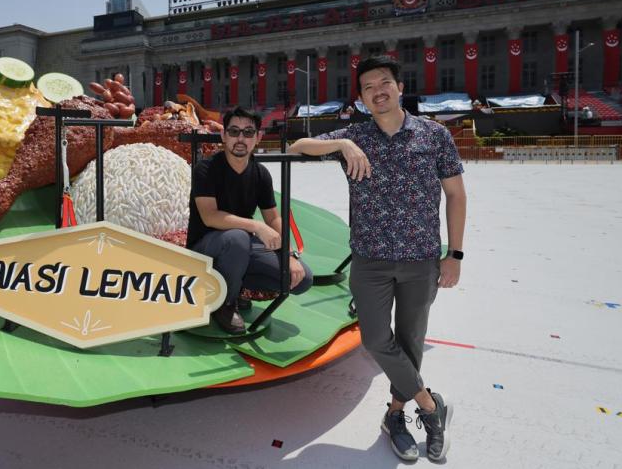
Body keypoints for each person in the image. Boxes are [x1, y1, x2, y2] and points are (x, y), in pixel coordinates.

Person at [288, 55, 467, 462]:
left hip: (421, 259)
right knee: (375, 339)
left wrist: (454, 253)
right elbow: (296, 145)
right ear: (361, 98)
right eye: (368, 87)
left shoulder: (434, 135)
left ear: (400, 87)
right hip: (369, 261)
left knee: (409, 342)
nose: (378, 91)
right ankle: (431, 406)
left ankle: (395, 415)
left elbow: (455, 195)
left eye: (384, 82)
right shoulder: (356, 136)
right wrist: (342, 142)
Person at [187, 106, 313, 335]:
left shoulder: (261, 174)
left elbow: (273, 217)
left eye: (248, 132)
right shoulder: (206, 168)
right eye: (234, 132)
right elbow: (210, 216)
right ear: (224, 136)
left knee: (300, 278)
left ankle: (235, 284)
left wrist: (289, 255)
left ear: (258, 137)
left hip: (240, 247)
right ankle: (224, 303)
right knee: (237, 238)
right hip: (206, 248)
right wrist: (255, 226)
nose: (240, 138)